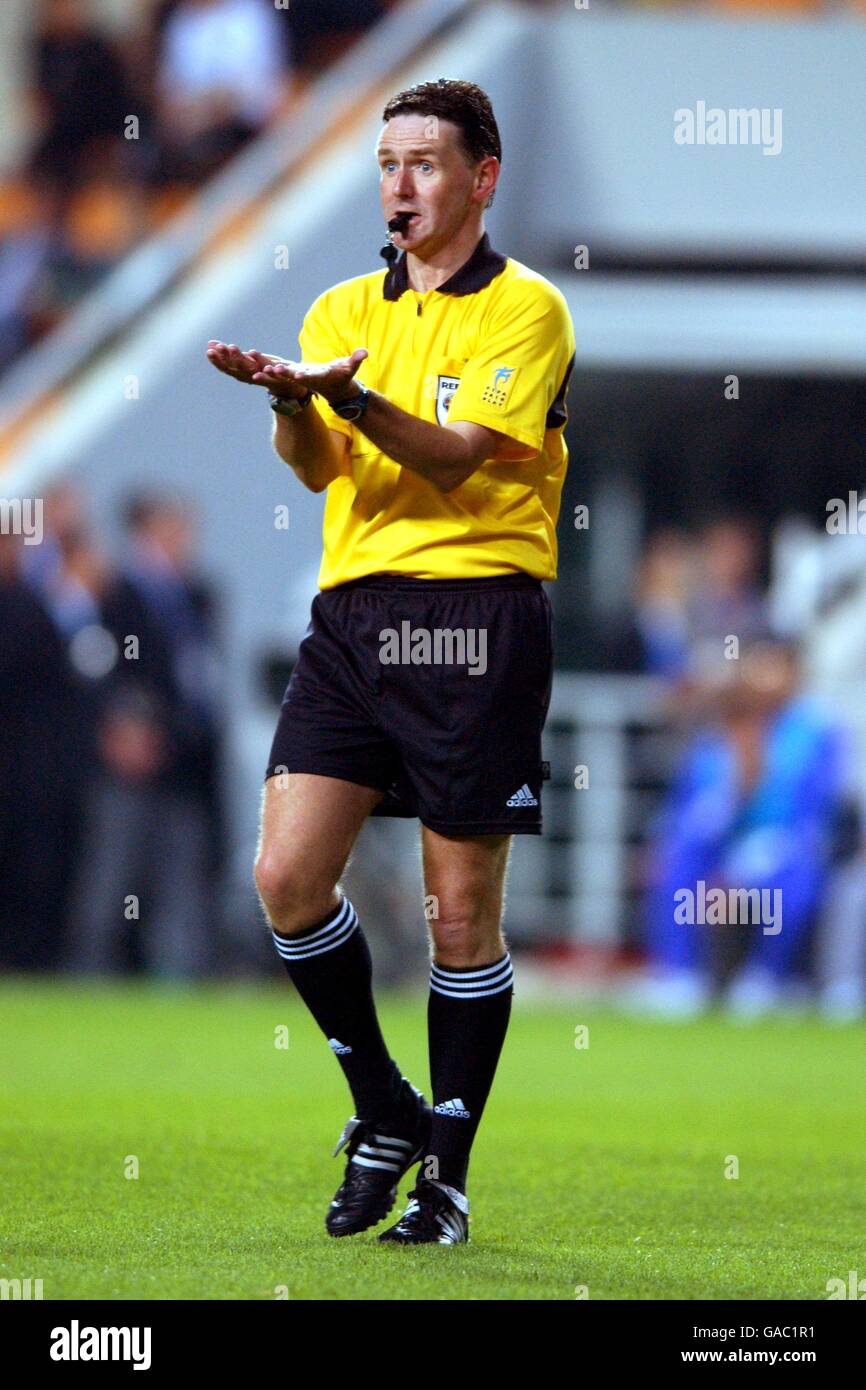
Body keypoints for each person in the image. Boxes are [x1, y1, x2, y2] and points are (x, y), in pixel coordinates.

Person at [206, 79, 575, 1244]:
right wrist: (288, 402)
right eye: (385, 164)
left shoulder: (528, 310)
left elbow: (460, 462)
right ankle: (381, 1104)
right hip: (353, 619)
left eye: (422, 163)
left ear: (482, 177)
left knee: (458, 914)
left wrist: (347, 397)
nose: (398, 186)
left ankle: (447, 1177)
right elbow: (317, 469)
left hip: (476, 620)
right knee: (283, 877)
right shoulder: (334, 310)